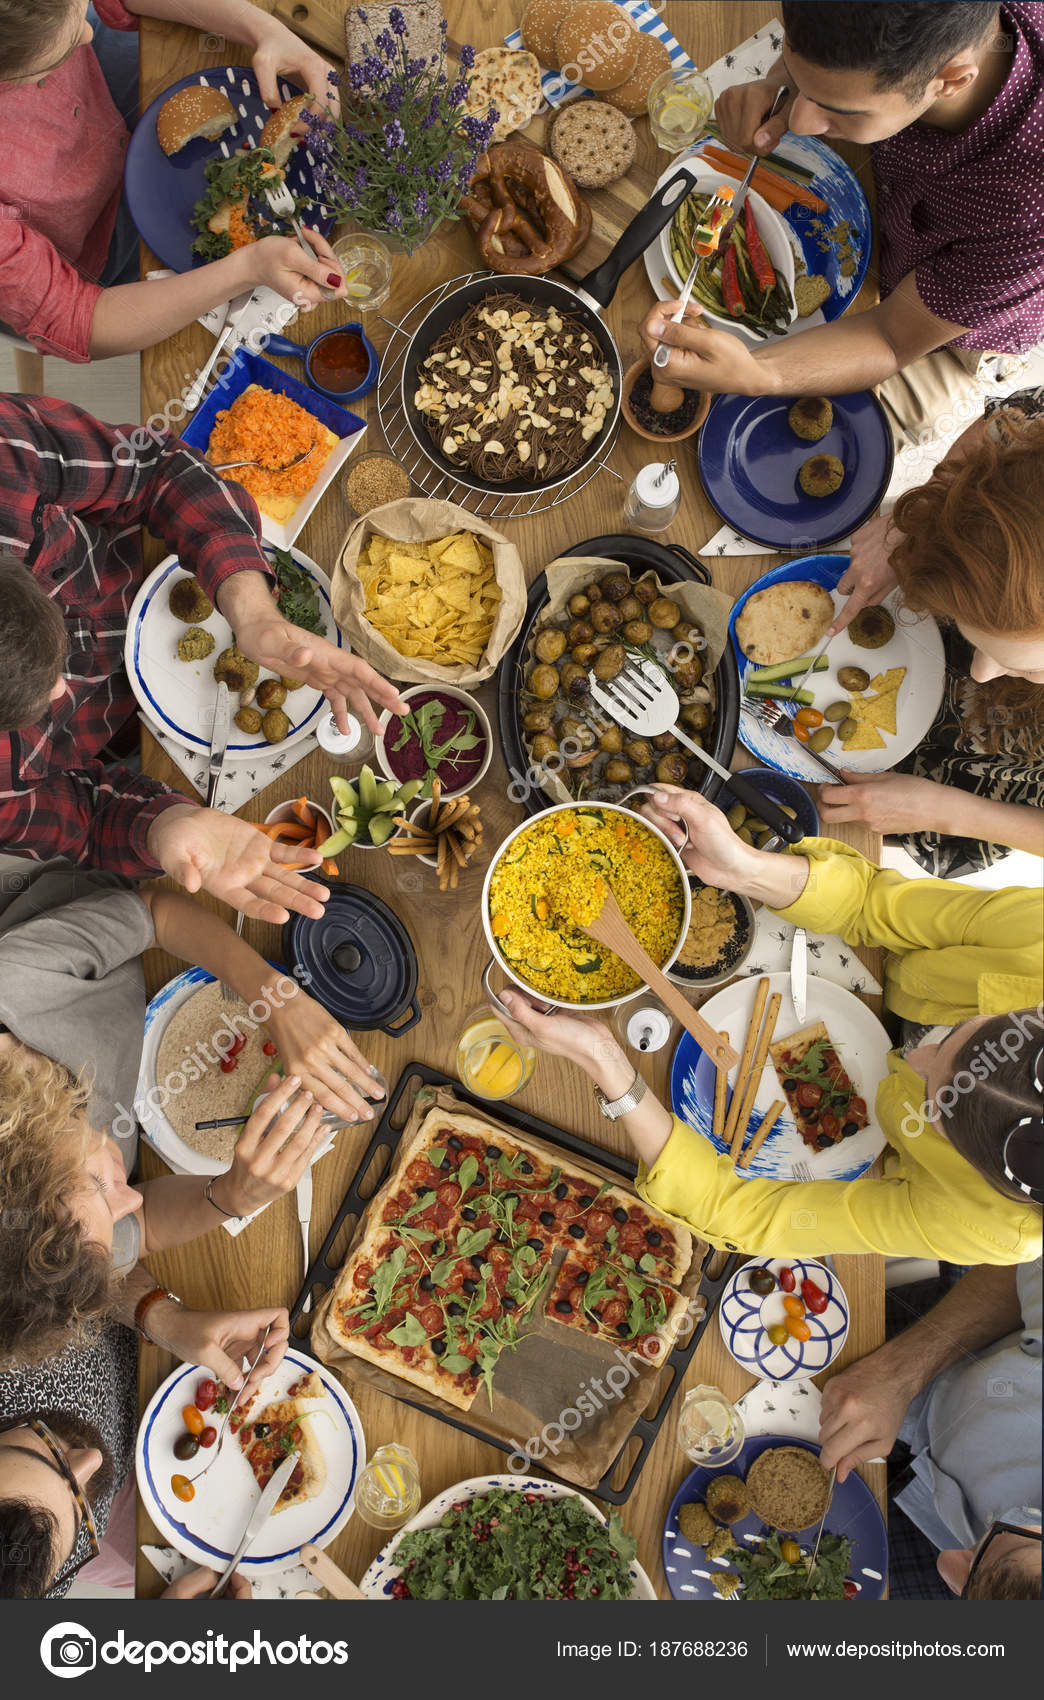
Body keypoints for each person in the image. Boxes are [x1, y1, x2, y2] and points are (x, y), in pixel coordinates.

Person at [495, 786, 1042, 1263]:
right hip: (870, 961)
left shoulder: (995, 1227)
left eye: (931, 1095)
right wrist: (745, 869)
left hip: (861, 1148)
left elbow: (755, 1216)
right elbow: (873, 903)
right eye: (958, 1033)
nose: (914, 1059)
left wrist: (607, 1065)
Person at [0, 393, 406, 911]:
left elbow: (156, 468)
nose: (62, 689)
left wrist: (252, 608)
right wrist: (166, 825)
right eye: (22, 709)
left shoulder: (5, 457)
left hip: (159, 555)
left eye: (50, 659)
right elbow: (85, 824)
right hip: (132, 745)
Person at [0, 860, 386, 1369]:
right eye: (113, 1208)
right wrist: (232, 1196)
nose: (132, 1195)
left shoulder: (19, 984)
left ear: (20, 1143)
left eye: (99, 1185)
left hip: (83, 864)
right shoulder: (51, 1241)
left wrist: (278, 1002)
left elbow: (158, 915)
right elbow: (143, 1228)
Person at [641, 2, 1044, 437]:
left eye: (840, 108)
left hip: (945, 326)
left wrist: (757, 376)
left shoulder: (1027, 205)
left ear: (950, 80)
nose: (798, 121)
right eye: (799, 70)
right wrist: (779, 83)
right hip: (880, 190)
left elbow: (890, 338)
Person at [0, 0, 349, 363]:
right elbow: (80, 322)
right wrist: (250, 267)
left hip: (100, 84)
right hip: (100, 241)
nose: (87, 28)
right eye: (57, 53)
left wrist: (266, 32)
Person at [817, 389, 1044, 877]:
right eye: (980, 641)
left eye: (1026, 665)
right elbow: (1006, 428)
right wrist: (920, 522)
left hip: (987, 781)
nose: (980, 675)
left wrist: (943, 810)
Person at [819, 1260, 1041, 1600]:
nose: (948, 1562)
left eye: (965, 1589)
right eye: (1009, 1543)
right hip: (949, 1353)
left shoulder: (966, 1564)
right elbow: (1021, 1256)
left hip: (929, 1487)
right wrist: (898, 1375)